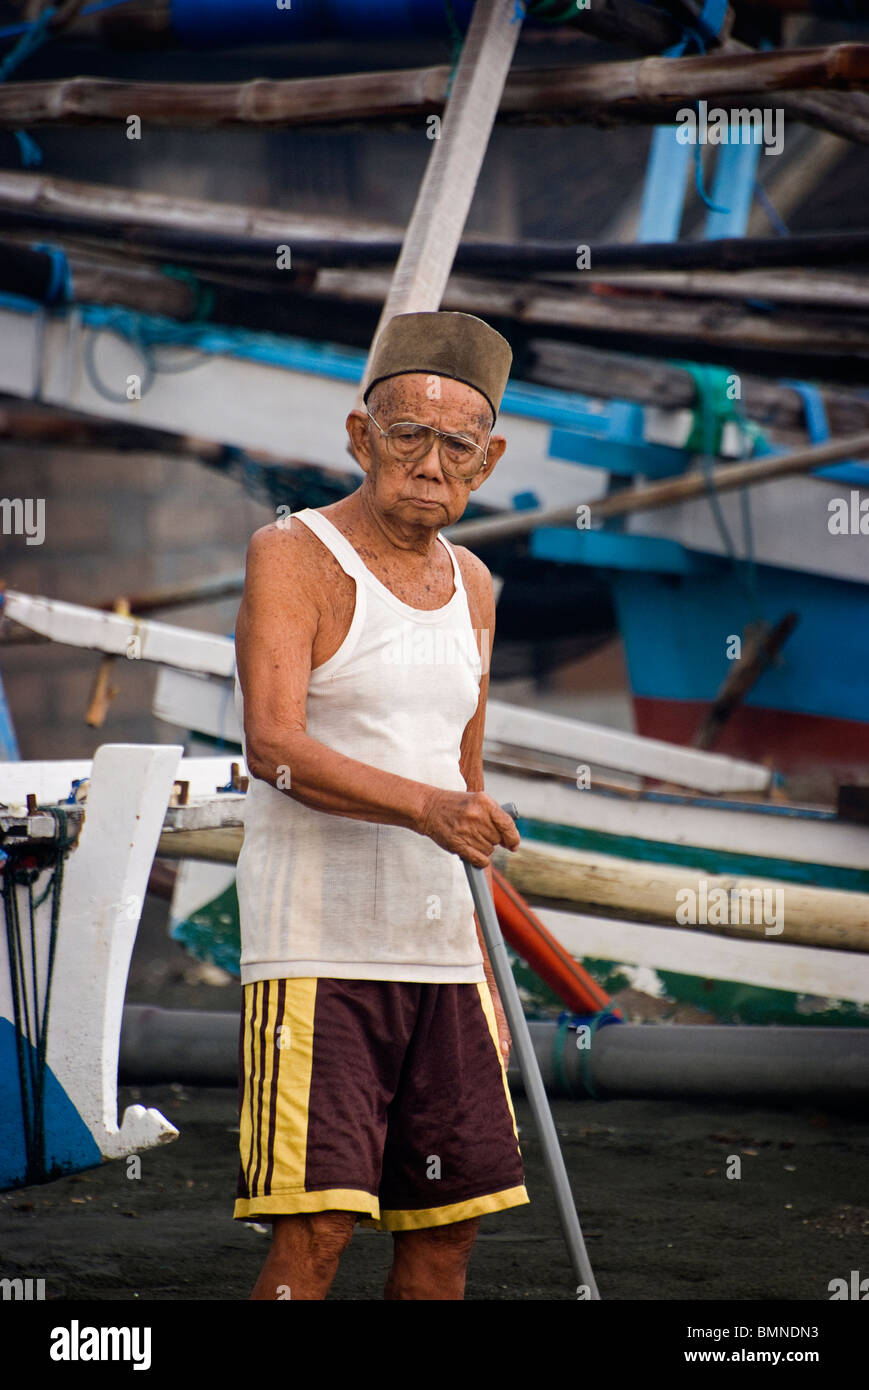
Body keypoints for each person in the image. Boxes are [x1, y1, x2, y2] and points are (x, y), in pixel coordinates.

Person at [232, 309, 528, 1301]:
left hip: (445, 954)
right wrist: (427, 810)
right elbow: (273, 747)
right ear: (360, 438)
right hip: (322, 949)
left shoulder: (476, 584)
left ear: (487, 462)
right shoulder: (294, 552)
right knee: (316, 1230)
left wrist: (482, 893)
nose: (430, 462)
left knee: (446, 1232)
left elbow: (464, 778)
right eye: (408, 434)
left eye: (456, 444)